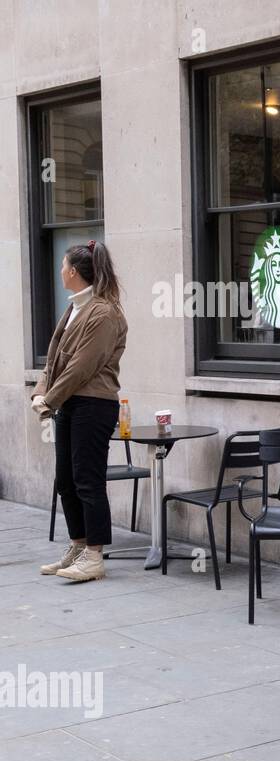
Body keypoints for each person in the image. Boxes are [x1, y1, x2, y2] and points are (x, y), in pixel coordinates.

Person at [32, 240, 128, 584]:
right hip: (70, 402)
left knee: (88, 480)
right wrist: (41, 391)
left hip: (94, 403)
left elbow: (81, 367)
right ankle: (79, 544)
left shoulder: (103, 312)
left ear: (73, 271)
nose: (60, 271)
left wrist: (49, 399)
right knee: (66, 481)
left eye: (62, 266)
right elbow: (55, 357)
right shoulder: (74, 308)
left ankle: (95, 555)